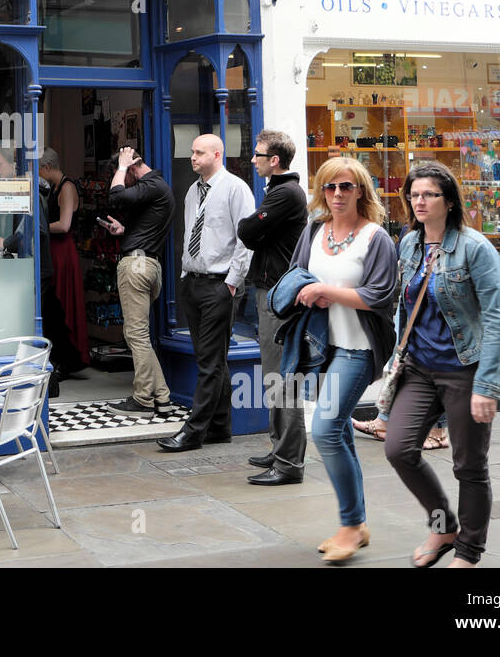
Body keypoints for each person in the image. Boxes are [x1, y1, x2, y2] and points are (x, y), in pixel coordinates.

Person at [384, 161, 500, 568]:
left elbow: (495, 318)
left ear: (449, 201)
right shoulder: (409, 243)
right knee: (399, 449)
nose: (419, 201)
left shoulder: (475, 248)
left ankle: (469, 554)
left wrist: (486, 385)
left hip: (463, 368)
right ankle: (443, 525)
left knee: (468, 466)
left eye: (428, 195)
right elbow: (406, 306)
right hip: (419, 366)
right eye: (414, 195)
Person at [289, 156, 398, 564]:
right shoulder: (314, 232)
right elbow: (297, 275)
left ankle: (351, 525)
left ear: (361, 191)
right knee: (340, 430)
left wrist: (326, 291)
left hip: (358, 348)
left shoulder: (376, 238)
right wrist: (308, 290)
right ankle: (358, 524)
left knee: (326, 428)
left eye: (346, 187)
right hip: (322, 347)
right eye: (330, 187)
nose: (337, 194)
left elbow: (379, 295)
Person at [157, 134, 253, 452]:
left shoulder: (235, 188)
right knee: (210, 359)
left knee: (209, 363)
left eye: (199, 152)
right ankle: (220, 427)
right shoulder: (193, 191)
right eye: (192, 152)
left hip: (219, 284)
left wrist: (232, 281)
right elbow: (190, 233)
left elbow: (246, 239)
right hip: (194, 282)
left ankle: (194, 430)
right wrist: (185, 274)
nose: (192, 157)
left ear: (217, 154)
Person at [236, 129, 309, 485]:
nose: (254, 160)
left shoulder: (285, 194)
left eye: (258, 155)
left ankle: (289, 462)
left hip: (277, 296)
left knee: (282, 377)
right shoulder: (277, 192)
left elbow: (247, 230)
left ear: (274, 160)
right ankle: (280, 447)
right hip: (269, 291)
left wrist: (253, 228)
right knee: (274, 375)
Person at [97, 146, 175, 416]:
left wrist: (120, 166)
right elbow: (147, 227)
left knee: (137, 336)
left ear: (131, 169)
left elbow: (116, 196)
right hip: (148, 264)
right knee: (138, 335)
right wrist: (124, 230)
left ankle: (143, 400)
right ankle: (162, 397)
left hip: (137, 266)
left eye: (122, 173)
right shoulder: (156, 187)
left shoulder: (151, 185)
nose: (121, 178)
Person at [0, 148, 67, 395]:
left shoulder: (31, 192)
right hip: (35, 267)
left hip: (35, 269)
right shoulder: (27, 190)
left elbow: (36, 230)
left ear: (14, 166)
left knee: (31, 325)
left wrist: (8, 243)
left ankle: (43, 382)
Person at [39, 147, 88, 372]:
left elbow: (64, 224)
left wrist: (37, 228)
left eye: (39, 169)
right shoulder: (54, 188)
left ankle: (68, 357)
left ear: (47, 168)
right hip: (53, 248)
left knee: (60, 300)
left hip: (62, 250)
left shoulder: (66, 188)